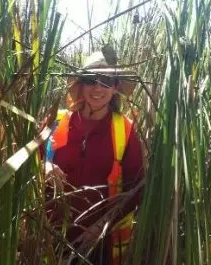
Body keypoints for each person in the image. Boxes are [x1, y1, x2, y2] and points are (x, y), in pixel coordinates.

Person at [42, 50, 144, 265]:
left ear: (115, 87)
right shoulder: (56, 121)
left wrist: (102, 225)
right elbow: (31, 163)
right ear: (81, 85)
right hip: (51, 236)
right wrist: (46, 167)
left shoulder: (125, 130)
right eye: (91, 80)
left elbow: (136, 189)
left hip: (100, 243)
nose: (98, 88)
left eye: (106, 81)